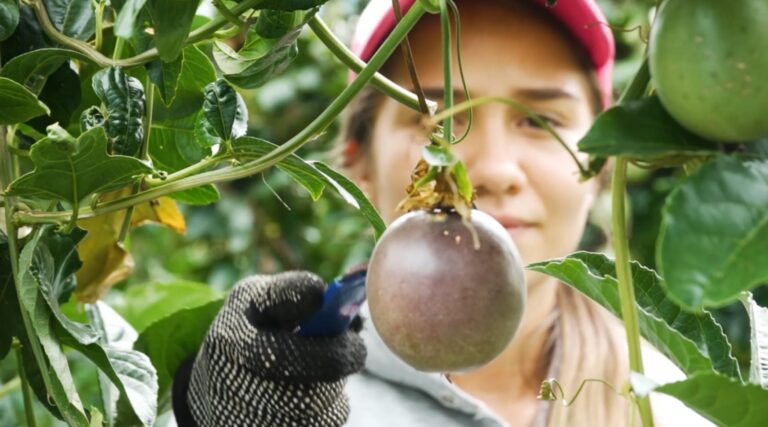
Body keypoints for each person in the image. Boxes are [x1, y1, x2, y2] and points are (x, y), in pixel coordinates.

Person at [172, 0, 712, 426]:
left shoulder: (677, 407)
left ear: (600, 162)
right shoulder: (278, 401)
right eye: (439, 122)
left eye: (540, 120)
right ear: (358, 163)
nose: (496, 169)